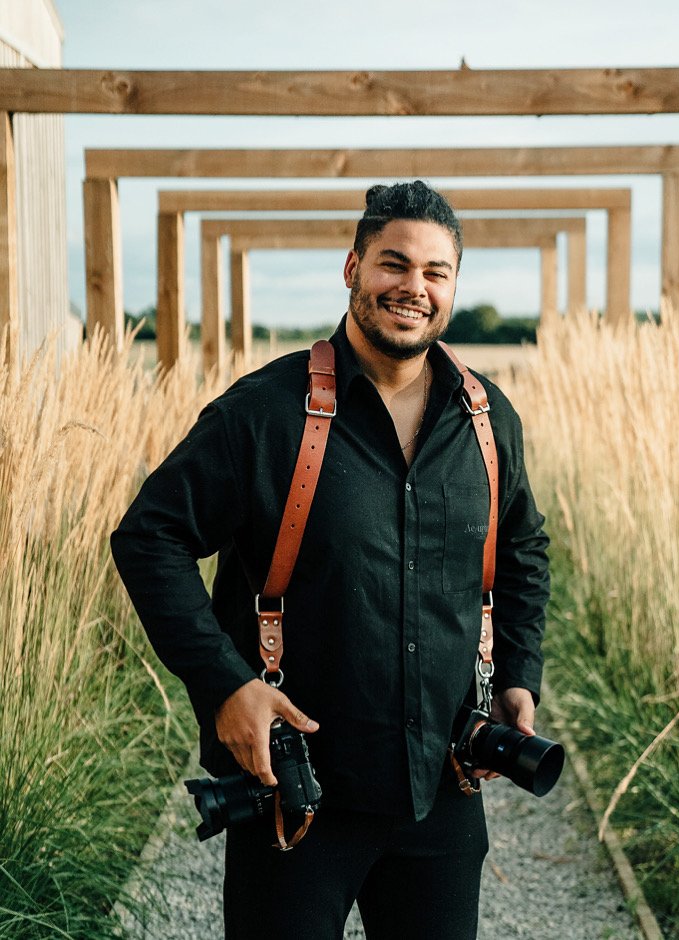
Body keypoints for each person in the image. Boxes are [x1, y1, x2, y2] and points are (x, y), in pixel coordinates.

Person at [111, 180, 549, 940]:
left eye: (435, 272)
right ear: (352, 268)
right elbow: (148, 537)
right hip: (292, 796)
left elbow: (523, 550)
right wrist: (227, 685)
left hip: (442, 796)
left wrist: (517, 675)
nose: (414, 287)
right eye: (393, 263)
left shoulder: (486, 420)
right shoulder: (264, 414)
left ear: (452, 287)